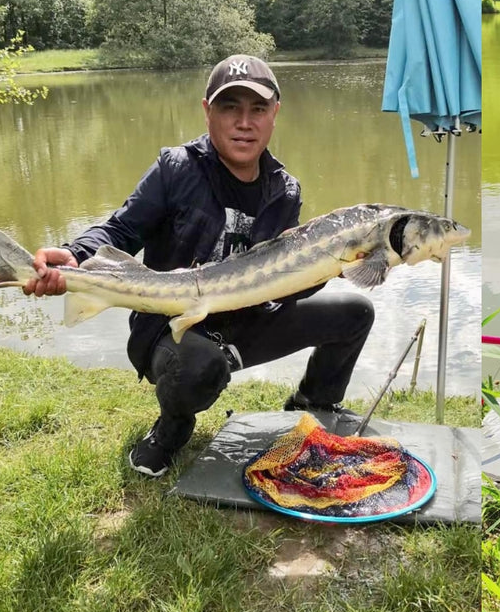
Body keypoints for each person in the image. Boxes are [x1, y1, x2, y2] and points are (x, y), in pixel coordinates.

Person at [22, 55, 375, 478]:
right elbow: (120, 230)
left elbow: (286, 284)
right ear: (208, 111)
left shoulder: (285, 190)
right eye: (231, 108)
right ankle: (171, 429)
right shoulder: (176, 169)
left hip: (249, 321)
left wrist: (334, 266)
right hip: (173, 326)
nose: (245, 122)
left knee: (355, 313)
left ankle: (313, 402)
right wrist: (76, 255)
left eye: (258, 109)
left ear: (274, 115)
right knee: (200, 366)